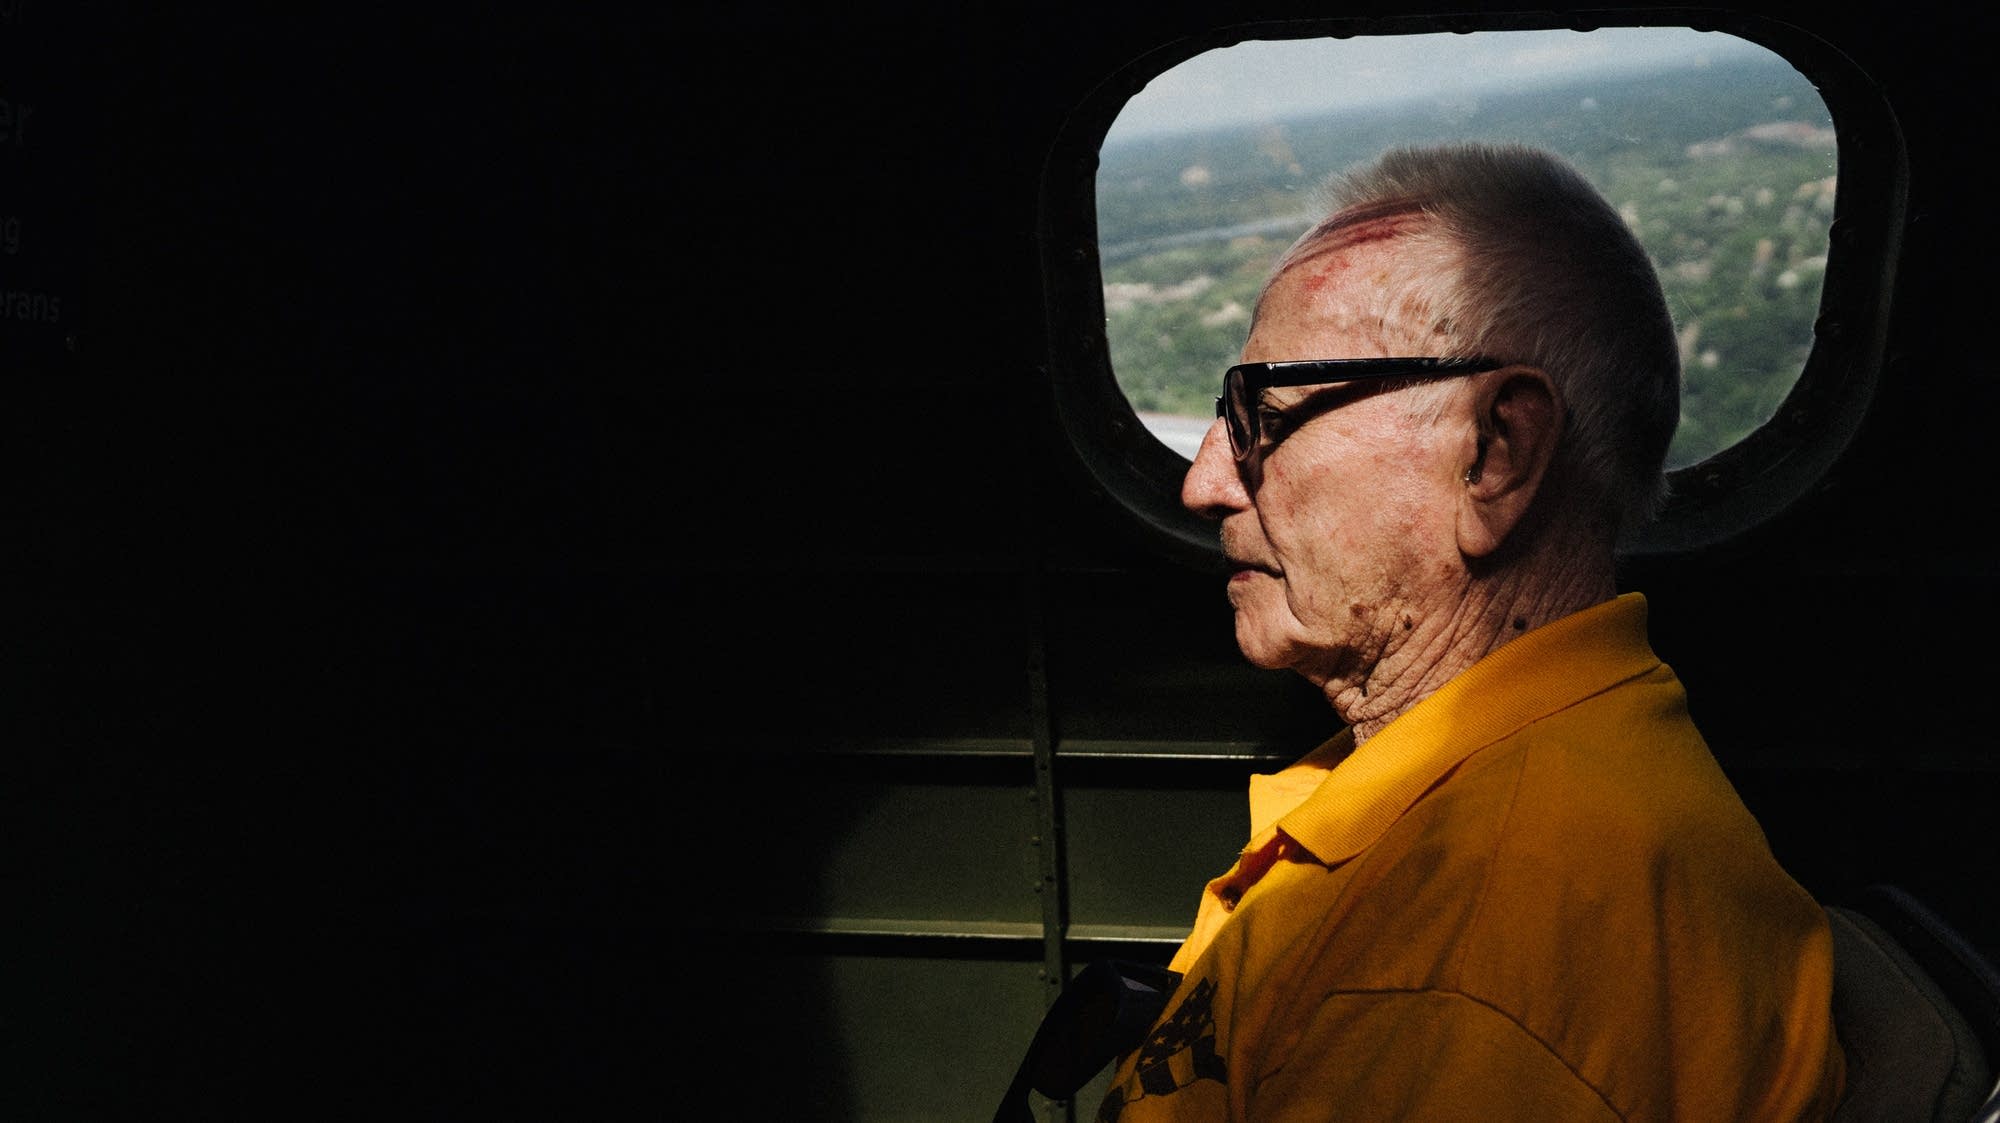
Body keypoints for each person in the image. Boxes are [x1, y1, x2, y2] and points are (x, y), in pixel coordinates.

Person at [1092, 143, 1846, 1121]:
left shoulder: (1470, 960)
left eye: (1263, 416)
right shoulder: (1495, 781)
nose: (1204, 482)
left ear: (1493, 453)